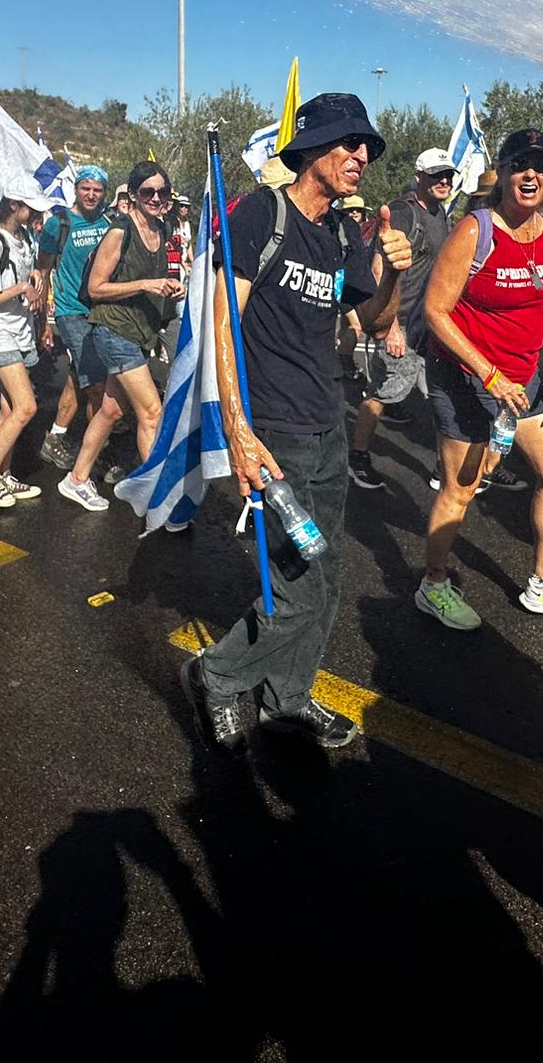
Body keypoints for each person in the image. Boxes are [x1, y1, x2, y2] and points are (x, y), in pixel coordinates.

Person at [182, 92, 413, 751]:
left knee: (327, 572)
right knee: (298, 584)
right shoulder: (265, 213)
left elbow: (372, 321)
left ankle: (288, 695)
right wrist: (238, 429)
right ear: (311, 148)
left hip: (326, 424)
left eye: (366, 147)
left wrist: (394, 275)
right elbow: (226, 323)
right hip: (273, 429)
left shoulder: (343, 232)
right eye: (349, 144)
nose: (362, 157)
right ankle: (218, 676)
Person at [411, 129, 543, 629]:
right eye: (520, 164)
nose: (530, 174)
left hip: (521, 380)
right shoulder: (476, 230)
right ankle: (433, 583)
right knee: (462, 488)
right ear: (504, 172)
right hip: (465, 376)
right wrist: (489, 375)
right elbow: (435, 311)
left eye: (541, 164)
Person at [56, 161, 182, 513]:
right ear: (134, 195)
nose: (156, 198)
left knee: (111, 410)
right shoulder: (119, 231)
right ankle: (159, 497)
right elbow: (96, 288)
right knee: (152, 412)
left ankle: (76, 479)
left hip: (138, 331)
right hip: (113, 331)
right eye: (148, 192)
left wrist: (168, 290)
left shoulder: (163, 227)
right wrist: (145, 284)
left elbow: (151, 281)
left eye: (162, 192)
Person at [350, 147, 457, 489]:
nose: (444, 181)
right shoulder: (402, 212)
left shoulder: (441, 214)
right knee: (383, 392)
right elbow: (379, 266)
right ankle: (358, 456)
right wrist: (390, 324)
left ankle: (445, 467)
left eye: (448, 175)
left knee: (444, 397)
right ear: (419, 177)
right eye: (436, 175)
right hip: (403, 324)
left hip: (430, 326)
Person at [0, 184, 52, 508]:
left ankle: (5, 473)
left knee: (9, 410)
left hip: (20, 331)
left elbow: (25, 276)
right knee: (26, 406)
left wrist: (35, 278)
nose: (37, 214)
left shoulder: (24, 239)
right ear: (14, 205)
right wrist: (20, 289)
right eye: (31, 207)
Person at [35, 163, 114, 472]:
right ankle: (98, 453)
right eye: (86, 189)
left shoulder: (108, 223)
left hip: (101, 311)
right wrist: (44, 323)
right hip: (71, 313)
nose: (91, 195)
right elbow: (42, 271)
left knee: (78, 377)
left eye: (97, 190)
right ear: (76, 189)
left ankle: (55, 437)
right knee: (97, 384)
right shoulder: (59, 224)